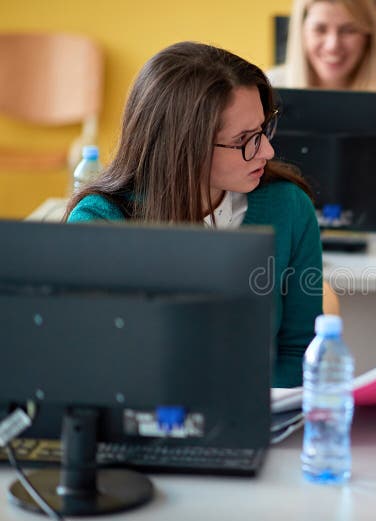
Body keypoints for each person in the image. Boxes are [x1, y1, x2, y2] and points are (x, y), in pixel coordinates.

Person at [65, 41, 322, 388]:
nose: (268, 150)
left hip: (259, 422)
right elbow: (88, 363)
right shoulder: (99, 224)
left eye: (263, 130)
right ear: (183, 146)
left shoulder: (289, 206)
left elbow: (298, 354)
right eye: (245, 139)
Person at [269, 0, 376, 219]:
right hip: (288, 224)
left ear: (368, 35)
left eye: (348, 30)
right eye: (320, 29)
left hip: (367, 233)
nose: (332, 45)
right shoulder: (269, 84)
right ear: (301, 32)